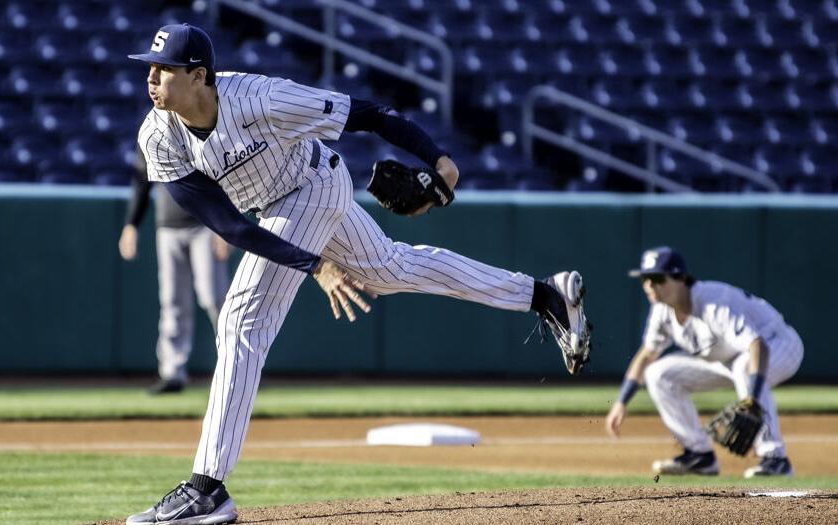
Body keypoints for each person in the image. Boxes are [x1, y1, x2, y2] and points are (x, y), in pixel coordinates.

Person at [124, 23, 592, 525]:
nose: (151, 78)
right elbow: (231, 226)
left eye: (163, 69)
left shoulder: (262, 98)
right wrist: (315, 265)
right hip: (267, 210)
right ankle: (543, 296)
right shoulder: (158, 135)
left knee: (242, 321)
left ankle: (207, 489)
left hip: (314, 183)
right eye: (149, 68)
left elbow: (370, 113)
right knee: (393, 268)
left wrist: (440, 161)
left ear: (199, 76)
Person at [605, 246, 803, 478]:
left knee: (743, 367)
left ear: (680, 278)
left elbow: (756, 345)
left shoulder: (714, 303)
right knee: (659, 373)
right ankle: (699, 455)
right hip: (726, 357)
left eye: (657, 278)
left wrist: (752, 400)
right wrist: (621, 402)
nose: (649, 285)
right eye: (645, 279)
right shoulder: (661, 310)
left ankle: (775, 458)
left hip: (778, 344)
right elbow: (647, 355)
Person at [119, 148, 230, 394]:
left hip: (206, 224)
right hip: (168, 226)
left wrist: (226, 226)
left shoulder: (197, 117)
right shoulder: (152, 131)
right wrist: (131, 224)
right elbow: (142, 179)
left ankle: (236, 367)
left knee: (215, 298)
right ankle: (172, 373)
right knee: (172, 301)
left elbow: (226, 173)